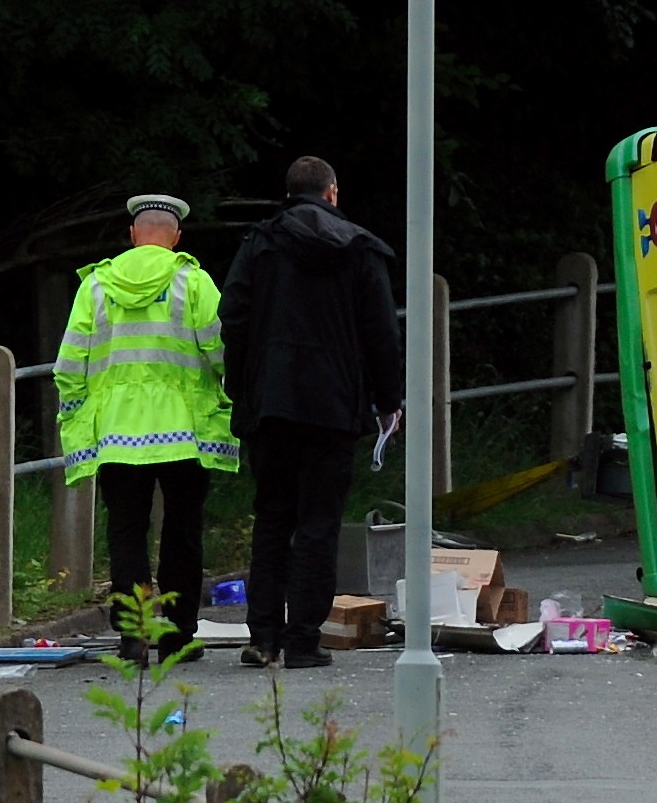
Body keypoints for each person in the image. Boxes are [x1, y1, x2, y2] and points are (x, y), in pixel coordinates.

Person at [219, 157, 402, 669]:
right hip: (334, 405)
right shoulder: (360, 250)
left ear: (289, 192)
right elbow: (381, 333)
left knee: (273, 518)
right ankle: (303, 640)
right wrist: (388, 400)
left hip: (272, 403)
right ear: (332, 193)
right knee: (319, 523)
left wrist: (245, 387)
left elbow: (232, 316)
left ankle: (262, 638)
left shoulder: (259, 244)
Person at [54, 195, 240, 665]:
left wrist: (77, 419)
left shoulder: (94, 286)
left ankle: (133, 638)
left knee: (126, 531)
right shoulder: (193, 282)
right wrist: (227, 401)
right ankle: (178, 638)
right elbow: (223, 352)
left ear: (133, 235)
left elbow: (69, 364)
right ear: (175, 237)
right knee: (182, 531)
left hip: (117, 434)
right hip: (183, 432)